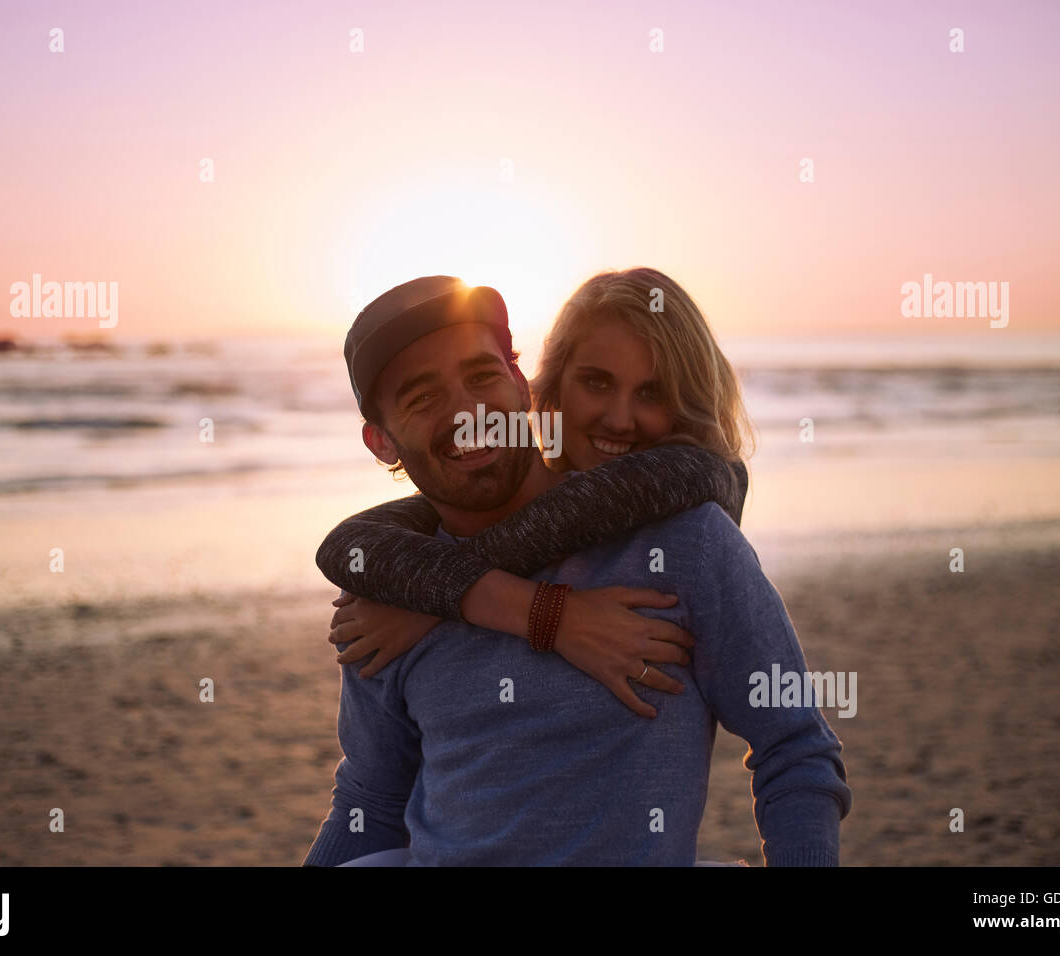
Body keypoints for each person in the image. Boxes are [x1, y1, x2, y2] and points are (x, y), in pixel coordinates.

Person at [303, 275, 851, 865]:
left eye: (483, 376)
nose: (467, 413)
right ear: (381, 442)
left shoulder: (683, 542)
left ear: (521, 383)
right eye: (422, 397)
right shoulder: (387, 598)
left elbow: (793, 746)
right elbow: (372, 800)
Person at [317, 268, 753, 717]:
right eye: (597, 383)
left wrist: (441, 600)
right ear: (550, 386)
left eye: (654, 392)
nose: (621, 420)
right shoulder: (398, 578)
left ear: (520, 382)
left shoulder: (694, 518)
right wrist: (535, 612)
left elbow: (794, 747)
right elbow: (348, 543)